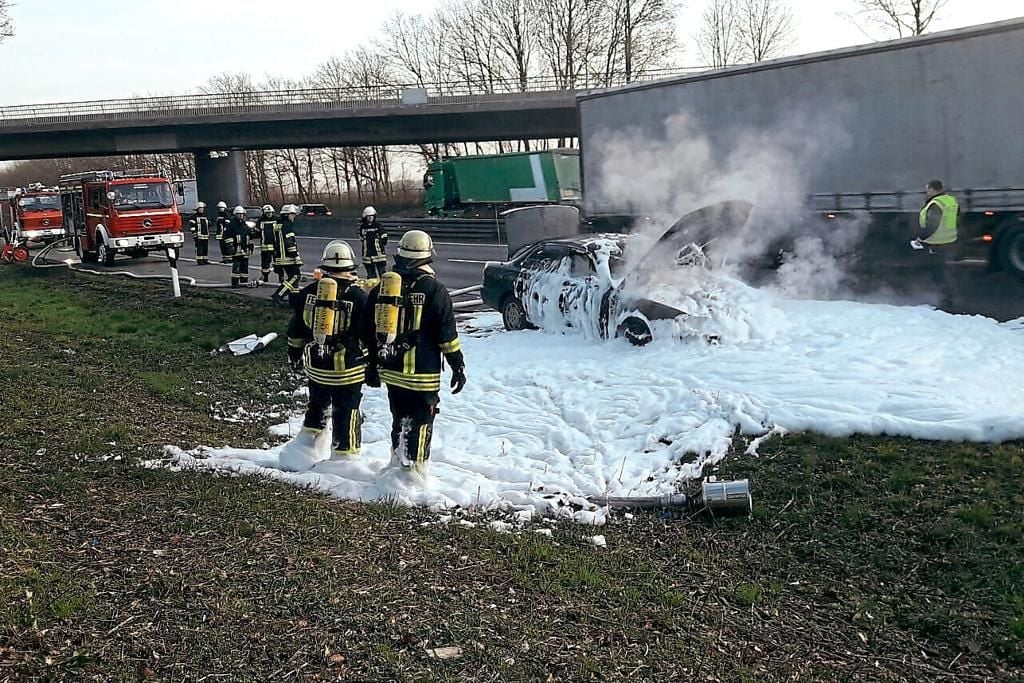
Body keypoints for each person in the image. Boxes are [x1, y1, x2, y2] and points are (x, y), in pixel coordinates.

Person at [362, 230, 466, 479]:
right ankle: (414, 476)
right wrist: (457, 366)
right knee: (420, 421)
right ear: (427, 256)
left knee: (399, 417)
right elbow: (446, 335)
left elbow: (366, 329)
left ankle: (396, 463)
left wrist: (373, 363)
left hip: (391, 370)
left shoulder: (383, 289)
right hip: (422, 373)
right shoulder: (434, 290)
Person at [280, 240, 369, 466]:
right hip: (347, 370)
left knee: (316, 406)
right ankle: (344, 459)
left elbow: (296, 329)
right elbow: (368, 334)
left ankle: (305, 450)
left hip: (317, 367)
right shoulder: (358, 297)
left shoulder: (309, 293)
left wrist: (294, 353)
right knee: (347, 412)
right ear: (351, 266)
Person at [912, 179, 960, 308]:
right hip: (949, 240)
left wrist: (919, 238)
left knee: (938, 274)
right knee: (944, 271)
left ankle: (945, 303)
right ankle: (948, 298)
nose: (926, 192)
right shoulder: (950, 200)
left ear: (933, 190)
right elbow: (957, 218)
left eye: (927, 190)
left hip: (936, 243)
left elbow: (932, 225)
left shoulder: (935, 204)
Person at [271, 204, 303, 304]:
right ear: (286, 215)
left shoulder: (278, 224)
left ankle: (294, 301)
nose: (293, 217)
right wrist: (295, 255)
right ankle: (278, 295)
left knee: (292, 277)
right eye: (292, 214)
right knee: (295, 277)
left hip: (279, 256)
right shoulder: (287, 225)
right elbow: (289, 242)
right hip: (287, 257)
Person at [358, 206, 388, 279]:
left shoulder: (378, 226)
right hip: (367, 255)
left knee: (382, 274)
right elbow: (361, 238)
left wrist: (381, 244)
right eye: (368, 216)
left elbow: (384, 237)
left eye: (372, 216)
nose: (370, 218)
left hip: (379, 254)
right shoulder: (363, 227)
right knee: (371, 276)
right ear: (365, 217)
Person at [226, 205, 251, 288]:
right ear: (235, 215)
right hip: (236, 250)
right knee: (236, 267)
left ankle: (244, 282)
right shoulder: (231, 225)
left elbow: (249, 236)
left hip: (244, 250)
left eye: (242, 214)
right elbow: (227, 236)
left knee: (245, 267)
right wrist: (231, 247)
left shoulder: (245, 225)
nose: (241, 216)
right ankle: (235, 283)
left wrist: (250, 246)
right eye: (239, 214)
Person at [256, 204, 277, 283]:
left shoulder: (276, 219)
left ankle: (281, 278)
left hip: (275, 246)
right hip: (265, 247)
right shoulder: (260, 220)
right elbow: (257, 231)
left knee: (278, 263)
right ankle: (265, 278)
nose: (269, 214)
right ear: (264, 213)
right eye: (267, 213)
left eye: (270, 212)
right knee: (265, 264)